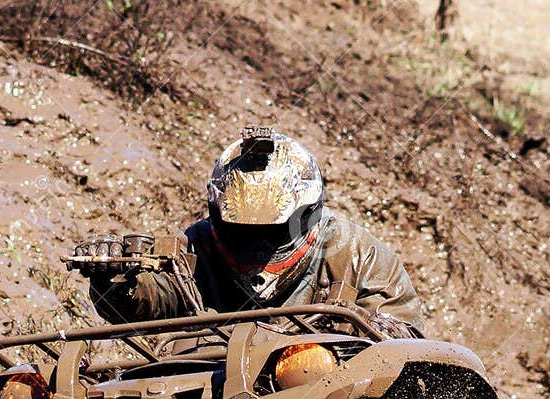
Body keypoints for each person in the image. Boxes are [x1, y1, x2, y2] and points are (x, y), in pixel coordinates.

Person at [71, 126, 424, 335]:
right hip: (214, 392)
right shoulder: (195, 248)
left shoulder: (358, 254)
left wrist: (363, 330)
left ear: (309, 215)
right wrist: (114, 278)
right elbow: (147, 302)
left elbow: (407, 343)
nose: (257, 247)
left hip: (333, 398)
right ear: (218, 217)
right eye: (241, 233)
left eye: (274, 233)